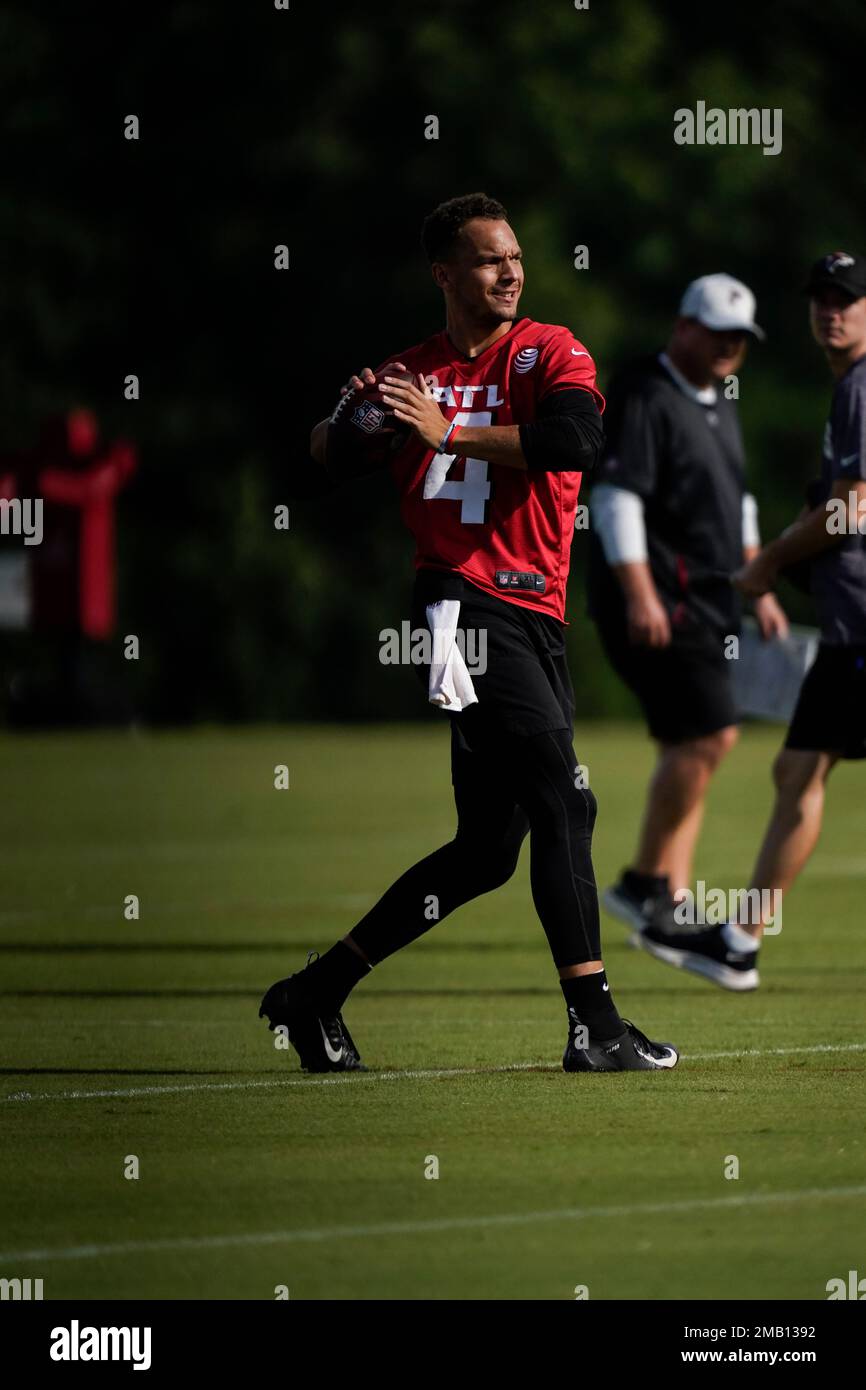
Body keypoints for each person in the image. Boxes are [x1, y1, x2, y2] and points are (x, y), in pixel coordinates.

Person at [259, 192, 679, 1072]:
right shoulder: (410, 373)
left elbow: (575, 439)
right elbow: (325, 465)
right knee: (567, 802)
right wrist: (343, 423)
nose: (510, 272)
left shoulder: (548, 348)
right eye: (490, 260)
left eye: (515, 257)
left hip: (533, 612)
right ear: (446, 274)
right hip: (460, 609)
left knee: (488, 850)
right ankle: (595, 1026)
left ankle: (315, 993)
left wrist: (446, 428)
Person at [636, 251, 866, 990]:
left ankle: (739, 941)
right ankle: (739, 938)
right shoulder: (848, 389)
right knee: (799, 767)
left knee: (799, 770)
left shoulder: (862, 388)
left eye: (848, 299)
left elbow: (850, 508)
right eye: (821, 298)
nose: (831, 310)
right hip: (850, 625)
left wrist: (769, 560)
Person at [587, 275, 788, 934]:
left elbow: (740, 498)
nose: (730, 346)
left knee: (690, 741)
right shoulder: (646, 393)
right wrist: (639, 593)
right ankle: (644, 884)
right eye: (718, 332)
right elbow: (615, 498)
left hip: (708, 601)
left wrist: (758, 576)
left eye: (740, 337)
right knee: (712, 732)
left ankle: (668, 892)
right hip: (661, 599)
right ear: (684, 328)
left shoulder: (718, 397)